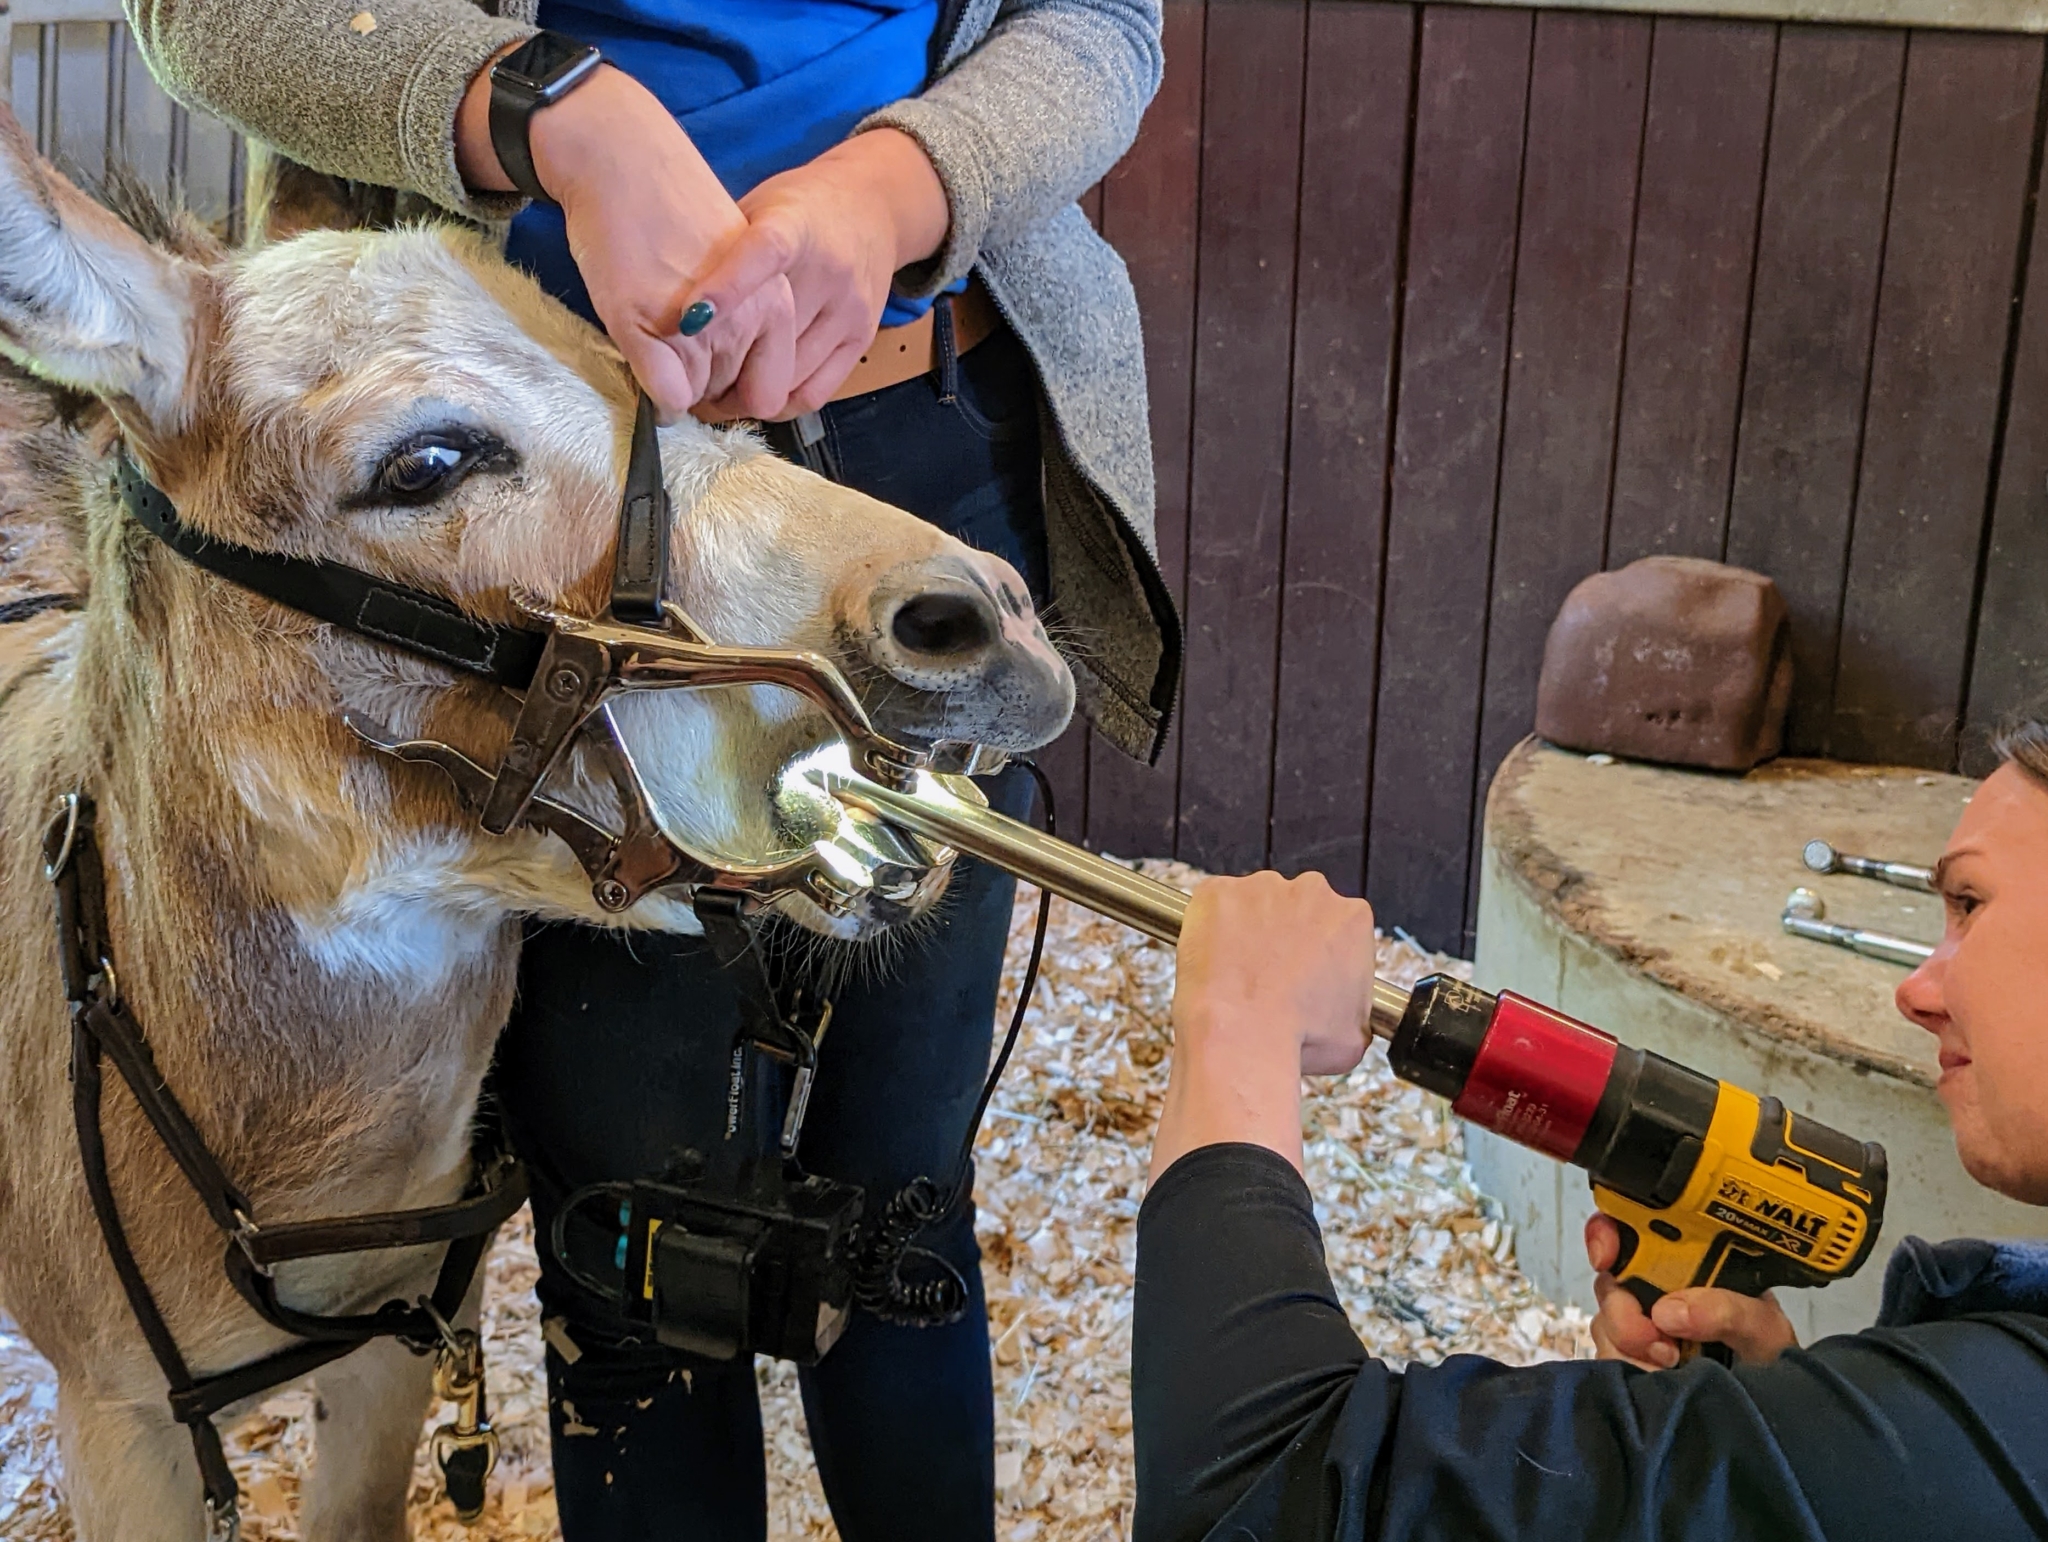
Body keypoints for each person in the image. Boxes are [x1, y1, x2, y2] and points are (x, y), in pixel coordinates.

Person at [126, 4, 1181, 1539]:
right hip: (524, 518)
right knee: (631, 1229)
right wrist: (546, 108)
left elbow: (1099, 22)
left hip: (929, 430)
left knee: (902, 1199)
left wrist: (893, 188)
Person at [1133, 722, 2048, 1542]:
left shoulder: (1994, 1425)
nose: (1917, 991)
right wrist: (1775, 1440)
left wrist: (1239, 1022)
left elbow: (1257, 1493)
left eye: (1969, 904)